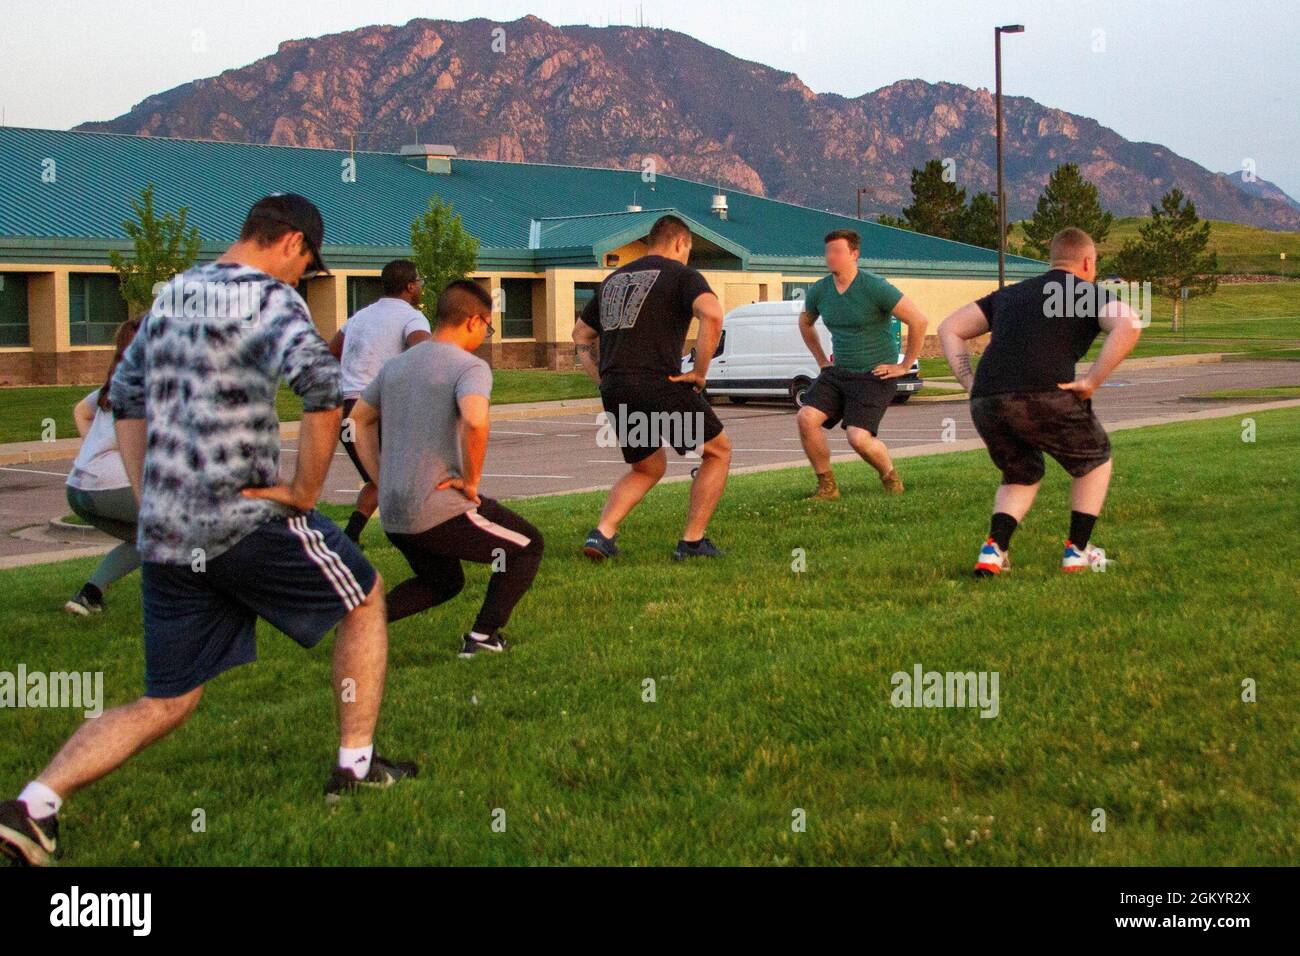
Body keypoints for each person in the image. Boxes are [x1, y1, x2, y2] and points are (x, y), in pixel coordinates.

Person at [0, 194, 414, 867]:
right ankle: (355, 767)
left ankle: (34, 806)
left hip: (168, 530)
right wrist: (305, 492)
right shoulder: (271, 299)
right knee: (364, 599)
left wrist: (147, 495)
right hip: (245, 515)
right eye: (307, 264)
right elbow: (321, 388)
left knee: (167, 699)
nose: (301, 277)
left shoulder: (173, 295)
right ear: (290, 242)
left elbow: (124, 399)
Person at [349, 280, 544, 657]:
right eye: (487, 328)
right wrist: (471, 482)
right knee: (527, 548)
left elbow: (356, 421)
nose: (485, 336)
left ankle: (361, 625)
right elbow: (475, 420)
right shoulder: (469, 366)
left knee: (443, 581)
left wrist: (380, 478)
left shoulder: (396, 366)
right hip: (440, 508)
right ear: (474, 321)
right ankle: (484, 638)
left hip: (394, 513)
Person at [937, 227, 1142, 577]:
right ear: (1088, 261)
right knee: (1095, 460)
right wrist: (1092, 380)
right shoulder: (1082, 293)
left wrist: (970, 383)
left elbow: (949, 328)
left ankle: (994, 551)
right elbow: (1130, 324)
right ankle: (1077, 552)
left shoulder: (1009, 295)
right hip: (1044, 392)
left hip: (988, 400)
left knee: (1021, 472)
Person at [571, 214, 732, 561]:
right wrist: (700, 373)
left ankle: (602, 534)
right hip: (659, 383)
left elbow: (581, 336)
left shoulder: (613, 279)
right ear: (680, 243)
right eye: (688, 249)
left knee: (647, 467)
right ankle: (692, 543)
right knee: (717, 452)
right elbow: (713, 314)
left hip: (616, 387)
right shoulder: (682, 275)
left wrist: (602, 378)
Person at [795, 229, 930, 500]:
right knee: (806, 418)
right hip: (839, 371)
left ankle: (890, 477)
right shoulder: (821, 290)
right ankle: (827, 486)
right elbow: (805, 322)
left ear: (854, 254)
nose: (830, 257)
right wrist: (822, 361)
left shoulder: (874, 286)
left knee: (858, 438)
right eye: (828, 252)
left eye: (837, 251)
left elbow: (919, 320)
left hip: (874, 374)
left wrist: (904, 366)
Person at [328, 259, 431, 544]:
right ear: (410, 286)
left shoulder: (358, 317)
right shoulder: (412, 317)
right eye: (419, 281)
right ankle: (422, 537)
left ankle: (349, 540)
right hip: (378, 409)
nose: (421, 286)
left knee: (381, 478)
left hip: (347, 411)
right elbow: (424, 352)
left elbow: (329, 351)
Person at [63, 317, 142, 615]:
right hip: (112, 487)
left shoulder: (114, 385)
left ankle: (89, 594)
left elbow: (80, 411)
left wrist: (93, 451)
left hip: (78, 489)